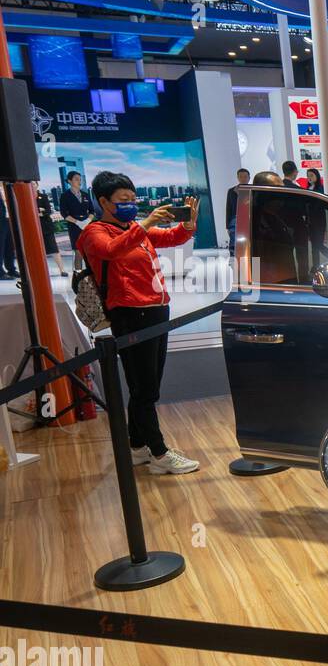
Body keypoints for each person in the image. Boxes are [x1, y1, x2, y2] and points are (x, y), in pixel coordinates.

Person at [76, 172, 201, 475]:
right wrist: (144, 224)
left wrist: (188, 224)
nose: (131, 205)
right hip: (130, 314)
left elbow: (171, 238)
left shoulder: (132, 228)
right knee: (145, 388)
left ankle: (136, 447)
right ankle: (159, 454)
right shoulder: (95, 233)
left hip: (157, 309)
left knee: (146, 385)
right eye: (123, 201)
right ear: (103, 201)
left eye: (133, 200)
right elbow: (111, 251)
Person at [59, 171, 94, 271]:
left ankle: (92, 274)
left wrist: (88, 220)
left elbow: (92, 211)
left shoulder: (85, 195)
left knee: (90, 252)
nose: (79, 181)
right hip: (74, 226)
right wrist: (78, 222)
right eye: (76, 179)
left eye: (80, 179)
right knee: (78, 253)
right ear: (69, 181)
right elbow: (64, 214)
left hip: (87, 225)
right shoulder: (65, 196)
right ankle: (78, 277)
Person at [37, 190, 68, 277]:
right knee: (38, 250)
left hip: (46, 226)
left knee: (53, 248)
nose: (33, 185)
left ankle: (62, 270)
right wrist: (40, 210)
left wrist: (40, 211)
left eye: (34, 183)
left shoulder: (43, 196)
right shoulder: (28, 196)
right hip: (34, 227)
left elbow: (48, 210)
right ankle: (41, 271)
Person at [225, 167, 250, 252]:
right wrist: (227, 226)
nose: (243, 179)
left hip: (249, 218)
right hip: (235, 221)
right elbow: (228, 208)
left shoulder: (253, 190)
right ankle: (233, 262)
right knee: (233, 244)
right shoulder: (231, 191)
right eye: (241, 176)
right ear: (238, 178)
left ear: (249, 178)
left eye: (245, 176)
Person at [0, 193, 16, 280]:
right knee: (1, 246)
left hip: (8, 218)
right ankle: (0, 272)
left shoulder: (7, 186)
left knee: (9, 246)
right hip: (1, 219)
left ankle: (11, 269)